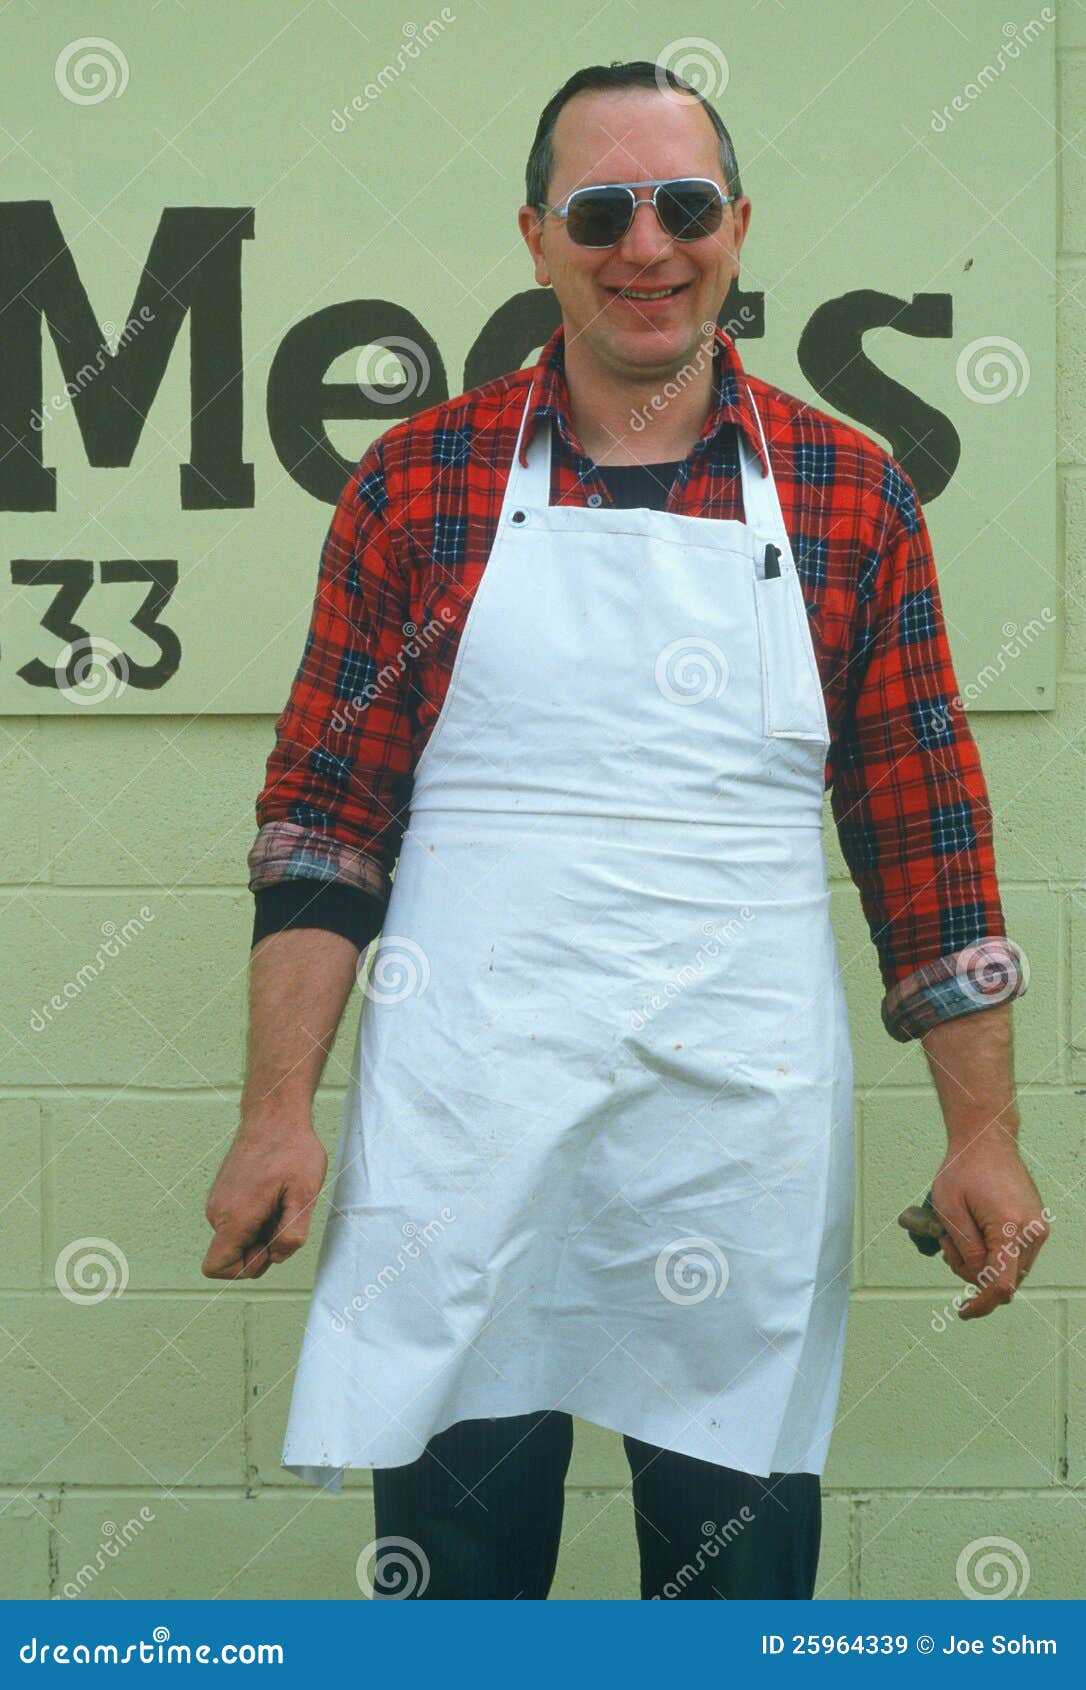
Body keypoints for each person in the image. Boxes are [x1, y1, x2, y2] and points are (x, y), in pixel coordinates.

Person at [202, 60, 1049, 1600]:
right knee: (455, 1584)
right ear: (537, 236)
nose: (642, 246)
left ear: (735, 227)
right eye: (600, 210)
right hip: (465, 1117)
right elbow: (325, 824)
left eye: (678, 207)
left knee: (730, 1588)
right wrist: (277, 1112)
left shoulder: (853, 494)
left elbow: (925, 836)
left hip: (731, 1129)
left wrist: (979, 1131)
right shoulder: (419, 483)